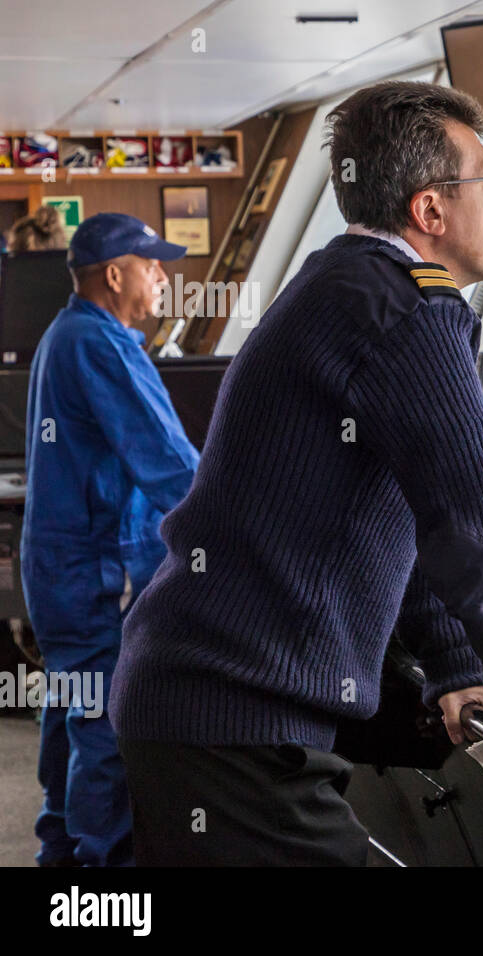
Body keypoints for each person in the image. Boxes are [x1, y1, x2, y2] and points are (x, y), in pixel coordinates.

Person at [110, 81, 483, 866]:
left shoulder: (347, 284)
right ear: (430, 210)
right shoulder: (408, 309)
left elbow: (403, 509)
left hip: (201, 698)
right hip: (231, 718)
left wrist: (455, 668)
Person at [22, 213, 199, 866]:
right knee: (103, 726)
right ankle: (103, 884)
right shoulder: (101, 342)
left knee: (72, 708)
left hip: (63, 567)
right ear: (115, 274)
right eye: (151, 265)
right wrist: (243, 522)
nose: (161, 277)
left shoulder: (66, 333)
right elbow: (171, 465)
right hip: (92, 568)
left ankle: (61, 858)